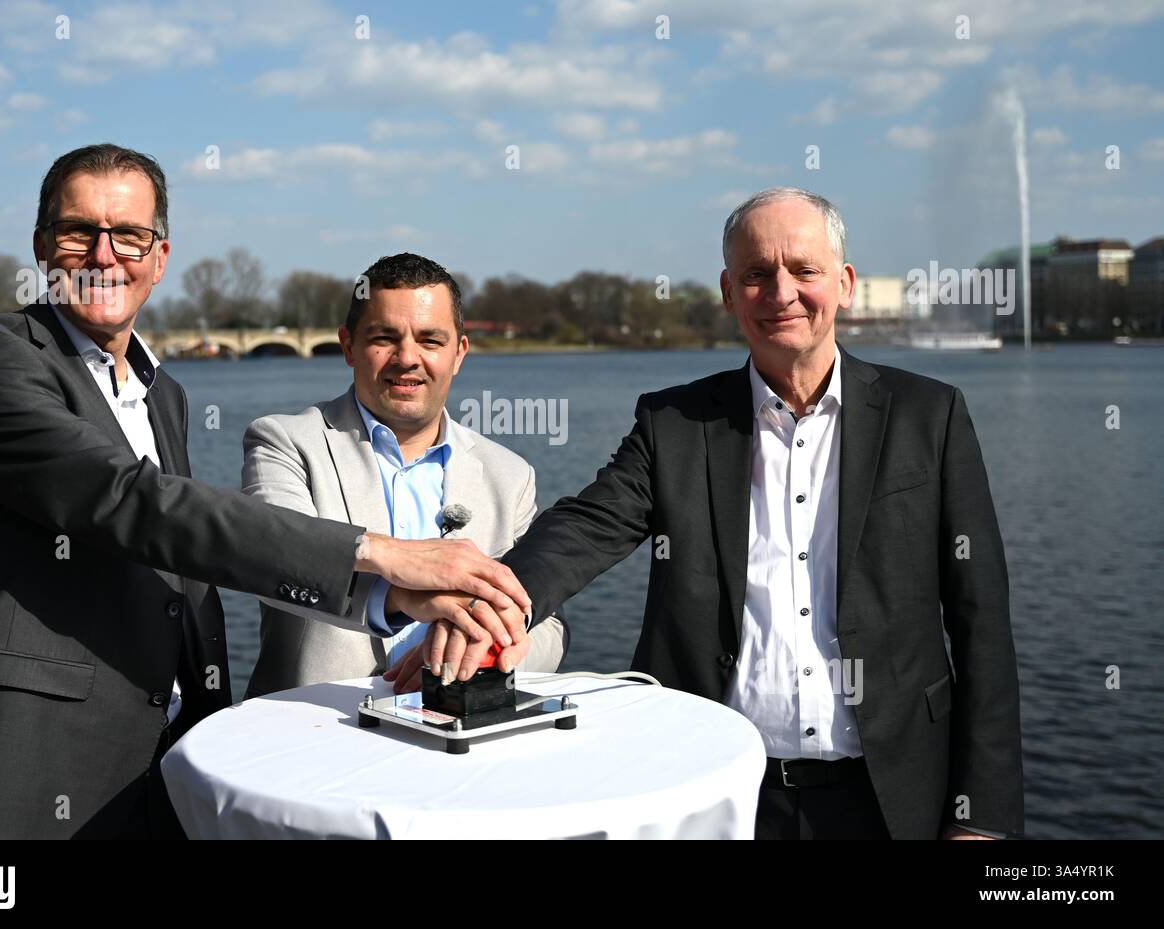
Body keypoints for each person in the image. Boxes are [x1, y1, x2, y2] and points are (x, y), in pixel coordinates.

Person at [0, 145, 529, 840]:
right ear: (43, 246)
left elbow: (182, 560)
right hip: (36, 772)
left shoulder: (163, 394)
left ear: (159, 256)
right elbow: (132, 504)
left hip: (169, 766)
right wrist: (384, 554)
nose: (104, 254)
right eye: (80, 230)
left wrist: (388, 598)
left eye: (129, 234)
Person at [391, 187, 1024, 840]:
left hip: (892, 796)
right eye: (756, 275)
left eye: (802, 270)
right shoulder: (676, 423)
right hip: (718, 791)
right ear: (728, 293)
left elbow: (982, 626)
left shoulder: (930, 415)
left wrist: (982, 817)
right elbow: (584, 527)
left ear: (845, 284)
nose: (780, 291)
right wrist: (492, 605)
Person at [243, 253, 566, 696]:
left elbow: (549, 625)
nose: (407, 358)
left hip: (460, 739)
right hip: (317, 739)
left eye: (431, 340)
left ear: (459, 354)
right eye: (384, 337)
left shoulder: (510, 475)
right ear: (348, 346)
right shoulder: (285, 441)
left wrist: (489, 646)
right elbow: (271, 562)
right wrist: (395, 596)